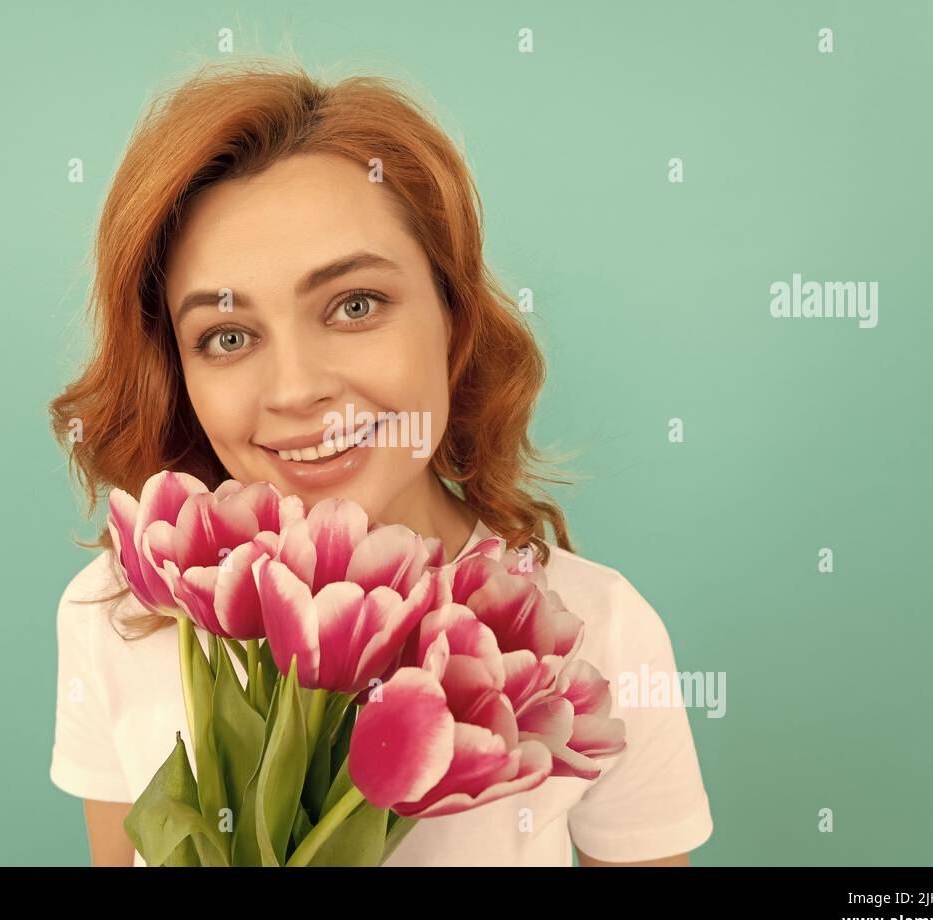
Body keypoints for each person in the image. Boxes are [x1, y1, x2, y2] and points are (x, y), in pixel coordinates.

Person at [47, 58, 713, 867]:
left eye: (354, 305)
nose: (296, 390)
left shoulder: (593, 634)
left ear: (455, 321)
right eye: (227, 337)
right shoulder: (121, 613)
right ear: (180, 374)